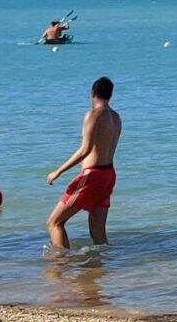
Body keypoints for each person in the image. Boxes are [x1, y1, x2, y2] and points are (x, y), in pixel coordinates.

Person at [45, 77, 121, 248]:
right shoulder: (116, 118)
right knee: (99, 235)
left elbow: (85, 149)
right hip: (108, 174)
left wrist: (58, 171)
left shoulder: (93, 115)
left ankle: (60, 265)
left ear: (92, 93)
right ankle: (101, 270)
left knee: (54, 223)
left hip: (92, 176)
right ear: (110, 95)